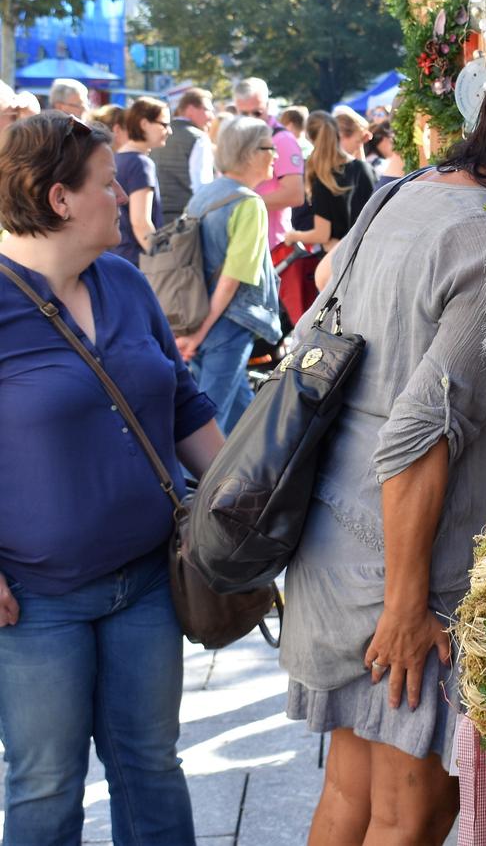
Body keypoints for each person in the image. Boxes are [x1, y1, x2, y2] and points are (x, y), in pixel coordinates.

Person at [280, 69, 486, 846]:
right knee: (409, 814)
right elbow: (418, 430)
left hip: (338, 535)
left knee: (351, 799)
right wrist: (406, 607)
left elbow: (325, 281)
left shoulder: (408, 190)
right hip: (407, 570)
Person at [0, 111, 223, 845]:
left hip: (148, 579)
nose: (124, 194)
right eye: (107, 182)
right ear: (59, 198)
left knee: (150, 766)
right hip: (35, 601)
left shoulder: (123, 282)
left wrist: (237, 501)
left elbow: (182, 397)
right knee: (45, 784)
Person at [175, 116, 282, 435]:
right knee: (208, 424)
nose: (276, 154)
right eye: (270, 147)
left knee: (239, 412)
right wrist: (199, 332)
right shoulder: (249, 203)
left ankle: (262, 472)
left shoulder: (205, 193)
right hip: (226, 322)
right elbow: (232, 278)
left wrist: (194, 330)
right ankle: (194, 485)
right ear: (250, 153)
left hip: (199, 314)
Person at [282, 111, 375, 252]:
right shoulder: (365, 169)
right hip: (369, 253)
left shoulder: (323, 179)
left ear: (310, 139)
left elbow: (321, 235)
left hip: (338, 261)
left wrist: (292, 236)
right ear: (338, 134)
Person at [232, 77, 304, 249]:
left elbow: (295, 194)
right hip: (245, 239)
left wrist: (243, 205)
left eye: (257, 113)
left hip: (270, 245)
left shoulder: (282, 140)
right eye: (244, 114)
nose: (251, 119)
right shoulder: (240, 137)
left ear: (268, 106)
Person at [112, 97, 171, 266]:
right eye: (164, 125)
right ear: (144, 123)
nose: (169, 131)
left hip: (118, 254)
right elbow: (140, 222)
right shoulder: (140, 162)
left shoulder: (118, 158)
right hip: (136, 259)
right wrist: (162, 262)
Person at [150, 87, 215, 224]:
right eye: (208, 110)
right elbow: (202, 186)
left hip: (153, 217)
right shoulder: (198, 138)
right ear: (191, 109)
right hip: (185, 221)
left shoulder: (157, 133)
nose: (212, 116)